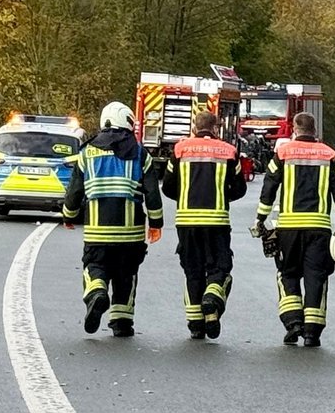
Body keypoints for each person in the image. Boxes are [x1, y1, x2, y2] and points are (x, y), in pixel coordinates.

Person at [61, 101, 163, 338]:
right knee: (126, 274)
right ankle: (121, 322)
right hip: (131, 233)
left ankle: (97, 291)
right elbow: (152, 194)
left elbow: (74, 191)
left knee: (95, 266)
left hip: (97, 231)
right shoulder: (140, 153)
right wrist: (156, 224)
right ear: (128, 122)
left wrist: (69, 215)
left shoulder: (86, 153)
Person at [160, 107, 247, 340]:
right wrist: (222, 196)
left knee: (193, 271)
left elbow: (167, 186)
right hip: (217, 221)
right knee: (219, 268)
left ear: (194, 127)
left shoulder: (180, 150)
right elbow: (240, 188)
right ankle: (212, 299)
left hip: (186, 222)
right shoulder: (228, 151)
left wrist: (185, 197)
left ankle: (196, 325)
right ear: (215, 127)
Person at [252, 112, 335, 346]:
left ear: (295, 130)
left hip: (288, 228)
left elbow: (269, 187)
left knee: (287, 273)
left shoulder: (282, 153)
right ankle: (312, 333)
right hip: (318, 228)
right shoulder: (329, 154)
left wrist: (260, 218)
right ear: (314, 130)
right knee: (316, 276)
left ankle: (293, 322)